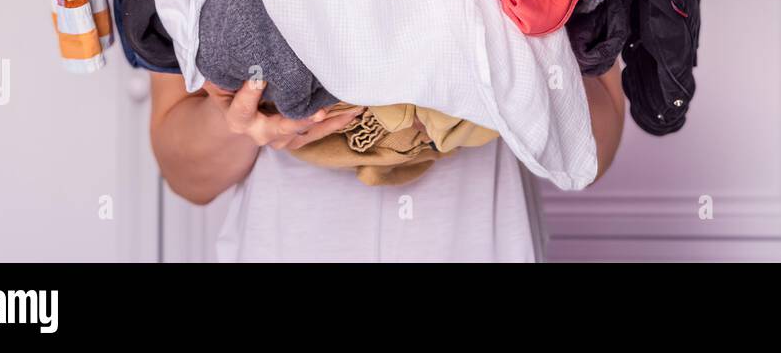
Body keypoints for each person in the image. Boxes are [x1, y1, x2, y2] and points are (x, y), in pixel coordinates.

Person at [149, 63, 626, 262]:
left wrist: (513, 55)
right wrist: (238, 115)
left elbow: (594, 148)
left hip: (477, 245)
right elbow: (186, 172)